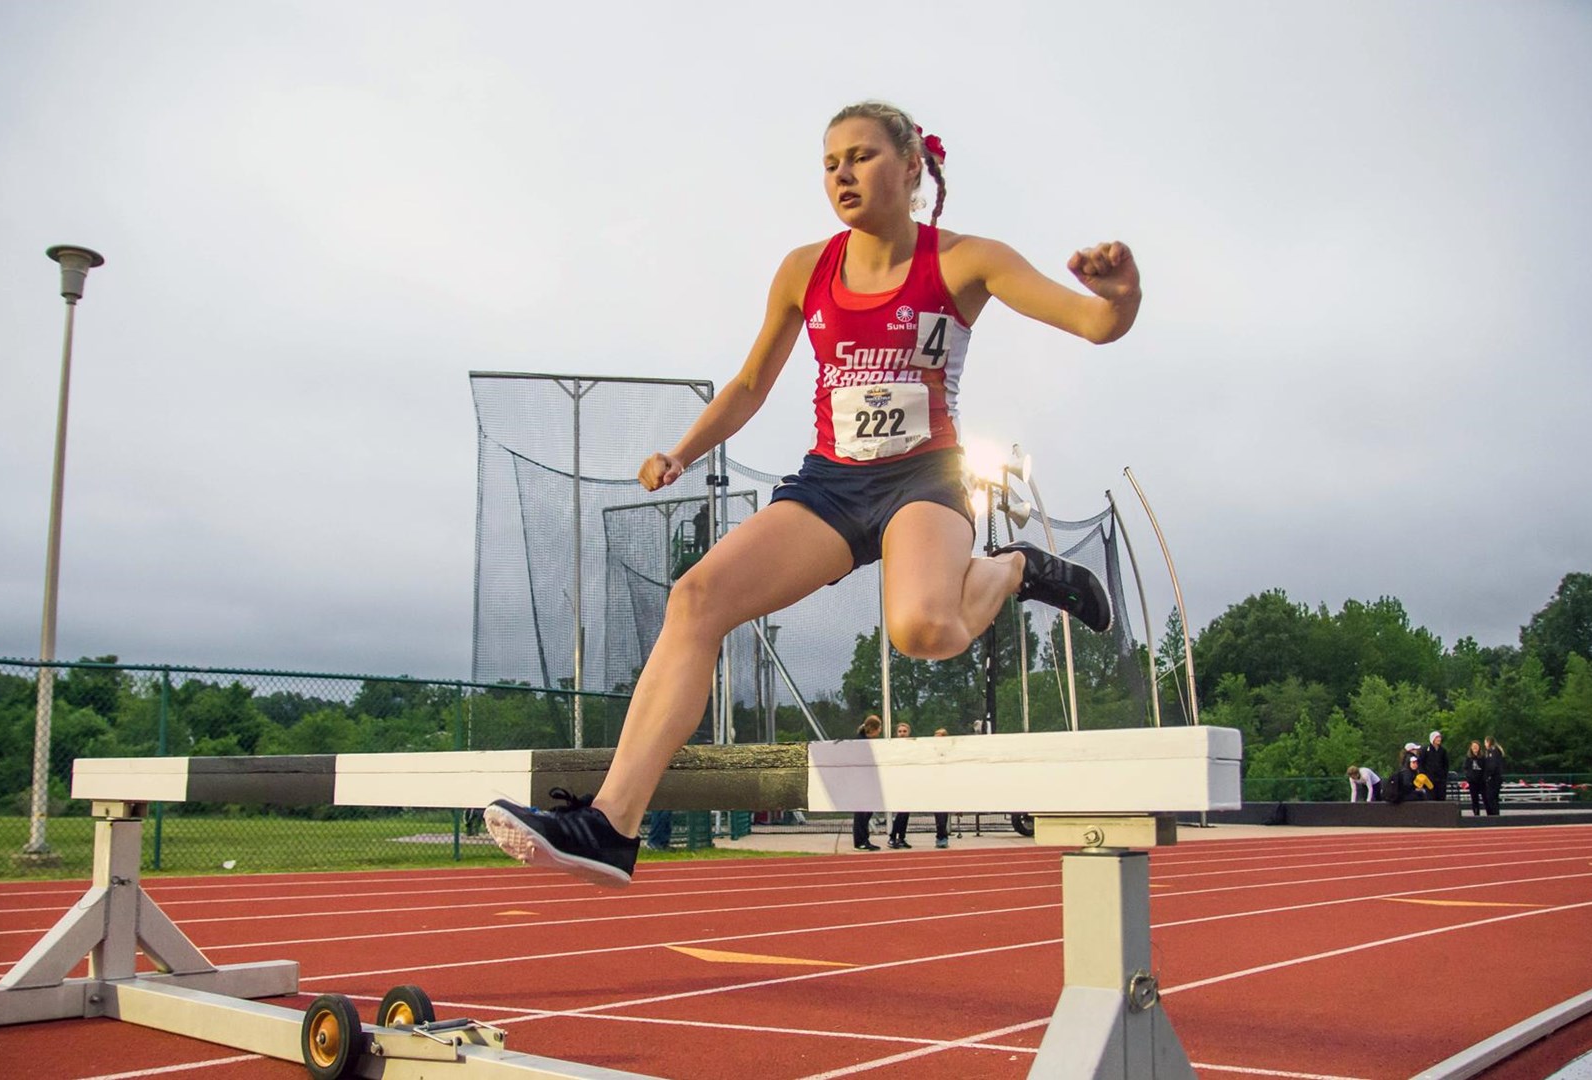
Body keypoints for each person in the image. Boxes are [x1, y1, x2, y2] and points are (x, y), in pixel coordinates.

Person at [485, 101, 1140, 887]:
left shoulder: (968, 260)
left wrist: (1122, 295)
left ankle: (1013, 570)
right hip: (831, 483)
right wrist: (681, 452)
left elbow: (1095, 324)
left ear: (909, 168)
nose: (842, 176)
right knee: (695, 599)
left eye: (860, 158)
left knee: (925, 630)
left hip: (923, 479)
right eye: (830, 164)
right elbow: (753, 380)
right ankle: (610, 825)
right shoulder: (806, 269)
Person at [852, 715, 884, 850]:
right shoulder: (861, 742)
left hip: (867, 781)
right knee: (862, 812)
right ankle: (860, 840)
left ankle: (864, 839)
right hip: (861, 781)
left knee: (867, 811)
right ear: (875, 728)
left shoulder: (868, 741)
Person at [888, 722, 915, 848]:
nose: (902, 734)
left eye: (904, 731)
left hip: (908, 782)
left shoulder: (912, 746)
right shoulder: (893, 746)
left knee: (906, 812)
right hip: (897, 783)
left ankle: (902, 838)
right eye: (900, 731)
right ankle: (893, 837)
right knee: (901, 812)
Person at [932, 727, 953, 848]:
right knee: (938, 813)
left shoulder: (949, 754)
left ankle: (942, 836)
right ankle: (941, 835)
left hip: (945, 786)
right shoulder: (931, 752)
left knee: (943, 814)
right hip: (934, 785)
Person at [1419, 731, 1450, 802]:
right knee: (1431, 797)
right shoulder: (1425, 750)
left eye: (1439, 737)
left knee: (1441, 797)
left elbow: (1446, 764)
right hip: (1429, 779)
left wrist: (1444, 775)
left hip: (1440, 779)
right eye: (1437, 737)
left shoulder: (1443, 751)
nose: (1439, 739)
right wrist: (1423, 775)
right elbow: (1421, 763)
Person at [1481, 736, 1506, 816]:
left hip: (1494, 778)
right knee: (1493, 797)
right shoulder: (1494, 751)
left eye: (1485, 742)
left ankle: (1494, 815)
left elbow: (1492, 765)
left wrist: (1488, 775)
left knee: (1491, 797)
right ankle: (1494, 814)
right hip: (1496, 777)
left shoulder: (1493, 752)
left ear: (1488, 742)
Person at [1463, 740, 1486, 817]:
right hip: (1472, 781)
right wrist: (1469, 777)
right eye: (1473, 747)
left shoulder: (1483, 757)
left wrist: (1484, 777)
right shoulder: (1468, 758)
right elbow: (1465, 768)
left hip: (1482, 781)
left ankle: (1489, 813)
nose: (1475, 748)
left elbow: (1486, 768)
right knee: (1474, 798)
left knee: (1485, 797)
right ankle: (1476, 813)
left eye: (1476, 746)